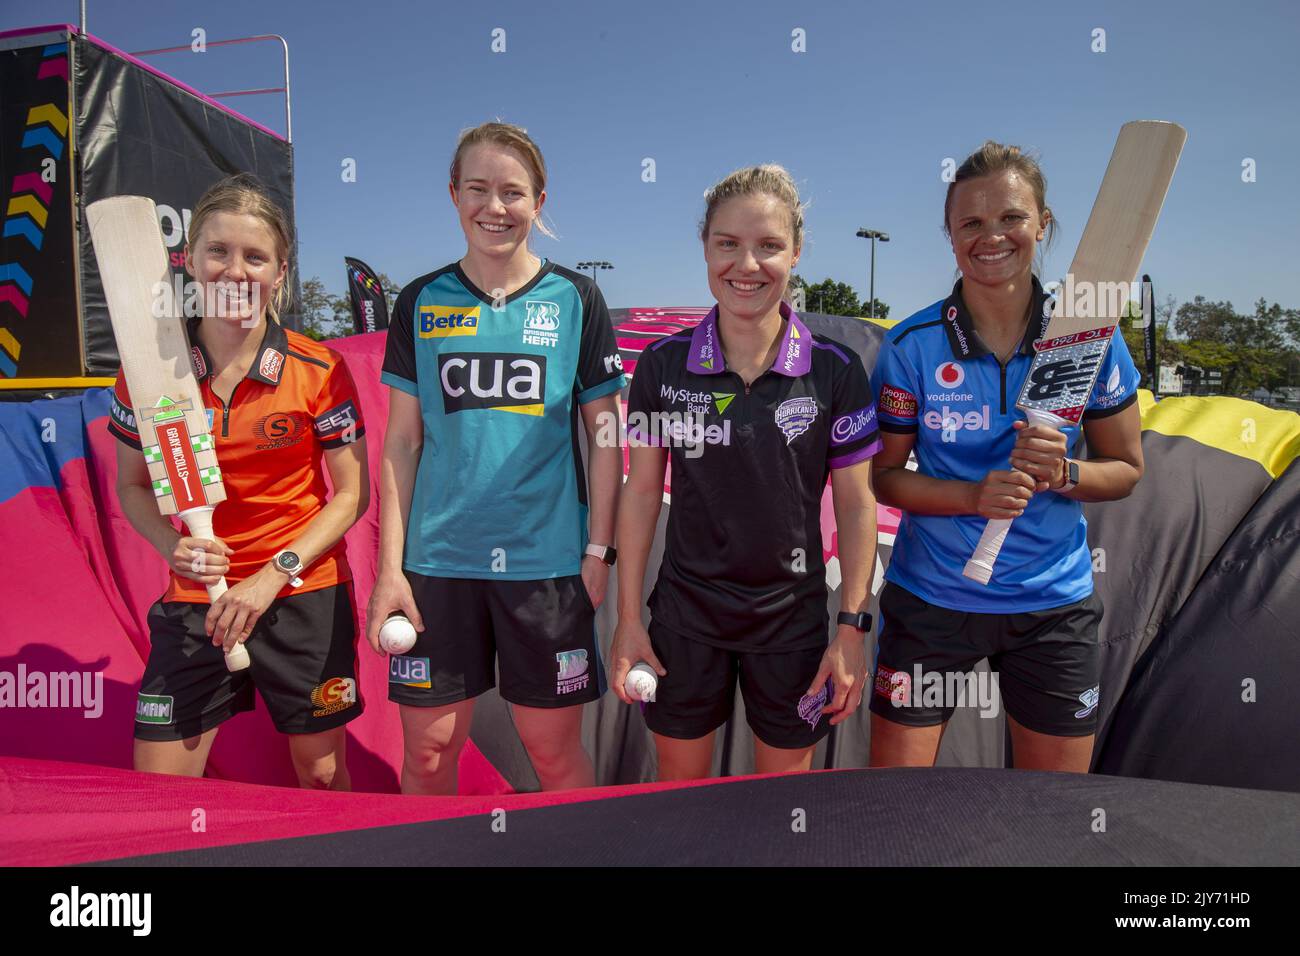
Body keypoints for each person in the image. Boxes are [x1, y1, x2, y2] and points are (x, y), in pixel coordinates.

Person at [868, 141, 1144, 772]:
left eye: (1012, 217)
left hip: (1051, 607)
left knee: (1054, 817)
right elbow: (883, 478)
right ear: (950, 234)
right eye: (971, 222)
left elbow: (1126, 469)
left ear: (1042, 224)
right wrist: (971, 497)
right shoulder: (911, 346)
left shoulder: (1088, 336)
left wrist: (1065, 473)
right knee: (891, 809)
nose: (992, 236)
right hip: (932, 601)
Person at [369, 121, 625, 795]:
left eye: (513, 191)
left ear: (539, 201)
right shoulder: (420, 301)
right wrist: (388, 571)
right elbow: (400, 442)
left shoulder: (576, 298)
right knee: (428, 756)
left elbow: (607, 439)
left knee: (552, 754)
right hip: (436, 567)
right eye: (478, 188)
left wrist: (599, 551)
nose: (495, 206)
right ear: (453, 194)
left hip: (545, 567)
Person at [610, 165, 882, 779]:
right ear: (705, 247)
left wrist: (852, 631)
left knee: (782, 815)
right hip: (684, 621)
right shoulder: (661, 364)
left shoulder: (836, 370)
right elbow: (642, 492)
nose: (747, 264)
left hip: (793, 626)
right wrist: (629, 619)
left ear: (796, 252)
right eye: (728, 244)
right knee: (682, 810)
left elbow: (858, 506)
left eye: (768, 246)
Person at [112, 173, 370, 788]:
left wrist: (268, 577)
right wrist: (171, 545)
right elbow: (133, 488)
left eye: (255, 257)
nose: (235, 271)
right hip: (196, 599)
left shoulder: (318, 369)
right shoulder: (149, 373)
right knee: (158, 788)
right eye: (218, 252)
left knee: (323, 777)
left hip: (301, 591)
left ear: (279, 273)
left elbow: (352, 495)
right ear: (191, 260)